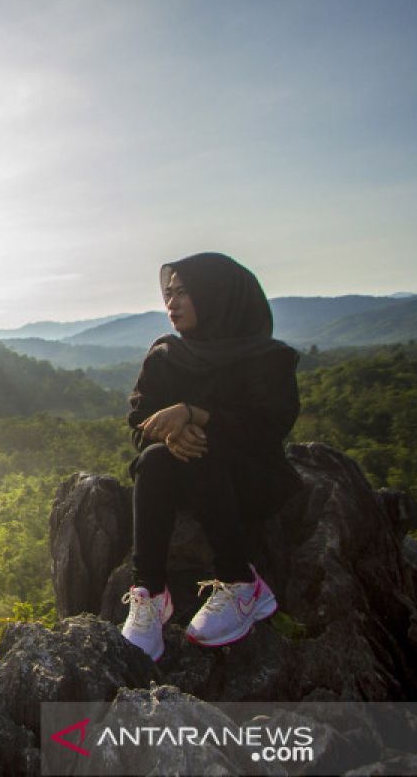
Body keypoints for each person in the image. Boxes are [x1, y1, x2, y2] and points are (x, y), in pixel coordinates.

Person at [120, 252, 302, 661]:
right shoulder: (167, 356)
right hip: (185, 478)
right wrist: (170, 436)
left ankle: (241, 583)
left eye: (184, 291)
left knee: (203, 447)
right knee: (152, 461)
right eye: (168, 293)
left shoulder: (267, 359)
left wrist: (195, 414)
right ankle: (149, 593)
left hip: (248, 479)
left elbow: (268, 427)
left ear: (218, 295)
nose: (172, 302)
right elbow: (139, 424)